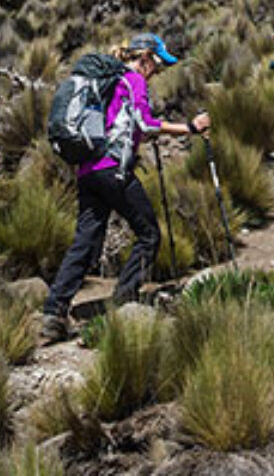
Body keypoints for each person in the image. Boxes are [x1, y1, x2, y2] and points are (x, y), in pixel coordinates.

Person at [41, 32, 210, 342]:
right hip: (112, 169)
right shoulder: (133, 79)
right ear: (144, 57)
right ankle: (124, 300)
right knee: (149, 234)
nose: (157, 72)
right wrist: (189, 128)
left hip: (88, 170)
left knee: (86, 240)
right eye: (157, 65)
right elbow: (145, 124)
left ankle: (54, 311)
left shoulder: (109, 82)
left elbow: (129, 126)